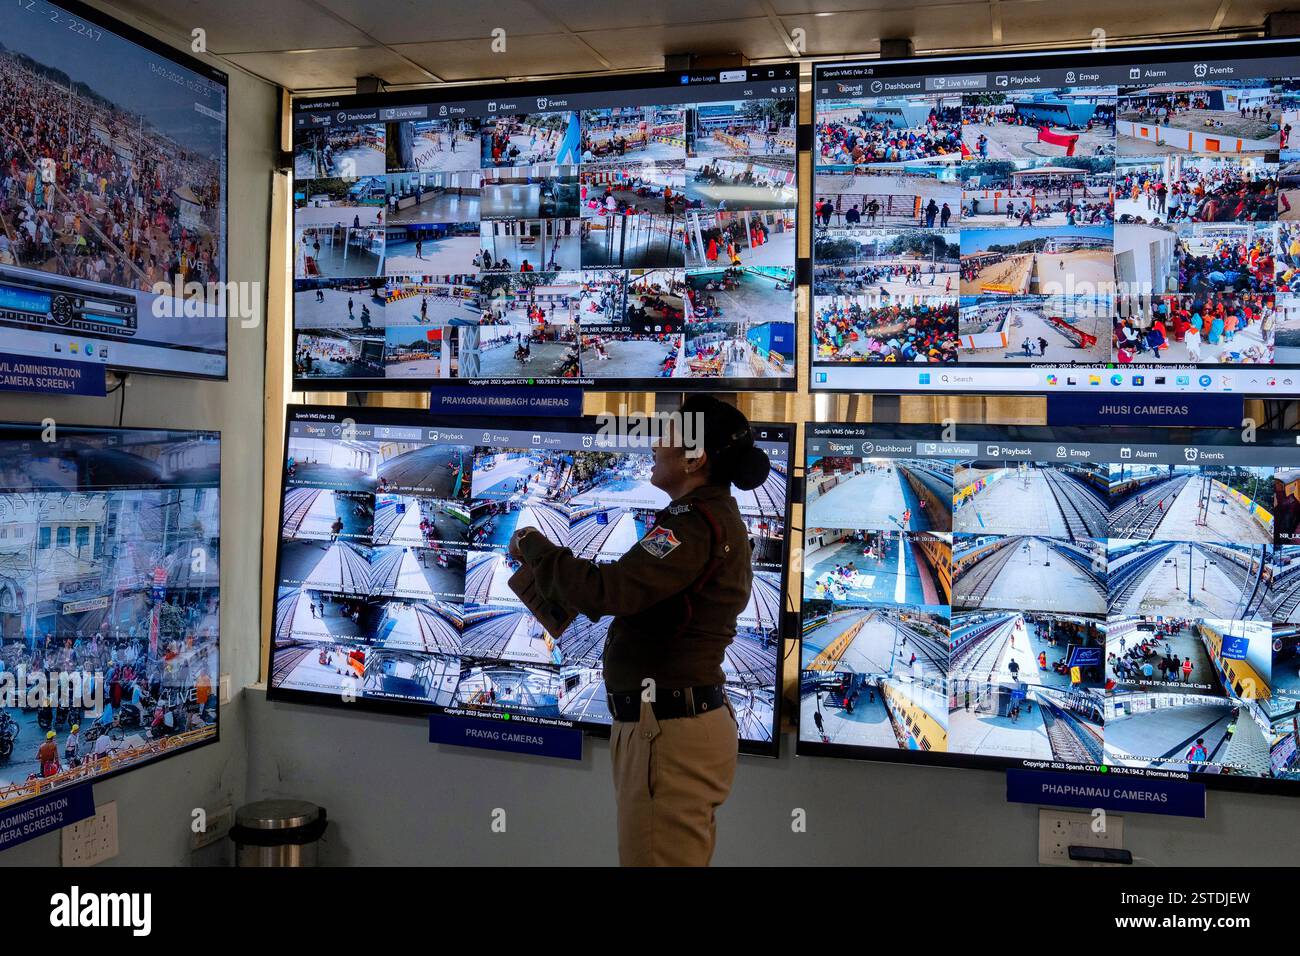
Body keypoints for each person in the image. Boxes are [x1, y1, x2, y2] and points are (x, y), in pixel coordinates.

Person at [508, 396, 771, 867]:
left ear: (694, 457)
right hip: (670, 727)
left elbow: (608, 591)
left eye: (666, 434)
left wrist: (535, 547)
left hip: (667, 735)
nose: (654, 444)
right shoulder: (706, 517)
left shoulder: (693, 526)